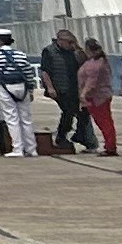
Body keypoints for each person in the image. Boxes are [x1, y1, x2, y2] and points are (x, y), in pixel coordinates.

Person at [0, 31, 37, 160]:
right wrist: (31, 90)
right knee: (26, 119)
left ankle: (18, 148)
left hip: (5, 88)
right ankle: (31, 149)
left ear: (0, 42)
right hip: (22, 87)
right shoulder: (21, 55)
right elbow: (29, 74)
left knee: (12, 119)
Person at [40, 27, 87, 156]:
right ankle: (61, 136)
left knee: (83, 113)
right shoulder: (49, 51)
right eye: (68, 42)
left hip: (74, 87)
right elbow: (44, 71)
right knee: (67, 111)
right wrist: (49, 87)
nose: (70, 45)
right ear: (60, 41)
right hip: (59, 88)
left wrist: (77, 48)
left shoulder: (73, 51)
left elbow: (83, 63)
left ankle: (79, 135)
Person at [76, 38, 119, 158]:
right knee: (105, 122)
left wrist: (83, 94)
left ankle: (110, 147)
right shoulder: (99, 61)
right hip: (100, 96)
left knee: (104, 122)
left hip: (97, 97)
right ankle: (110, 145)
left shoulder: (95, 64)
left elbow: (91, 82)